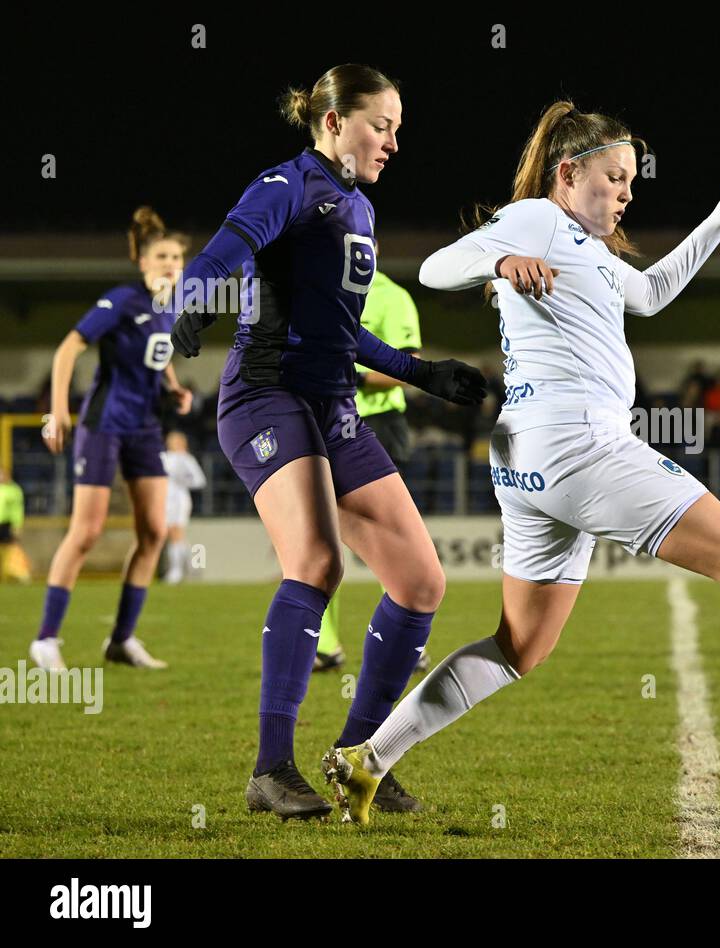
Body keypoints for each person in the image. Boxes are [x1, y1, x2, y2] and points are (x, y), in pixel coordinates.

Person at [322, 101, 720, 824]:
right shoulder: (539, 218)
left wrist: (719, 219)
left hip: (527, 457)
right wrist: (501, 257)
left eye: (632, 179)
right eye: (615, 176)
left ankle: (367, 760)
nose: (628, 191)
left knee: (519, 647)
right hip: (578, 442)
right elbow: (442, 266)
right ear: (569, 174)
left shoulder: (591, 252)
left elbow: (654, 293)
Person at [168, 63, 486, 820]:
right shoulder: (288, 185)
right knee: (314, 561)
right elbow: (225, 248)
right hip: (265, 398)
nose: (393, 142)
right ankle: (270, 767)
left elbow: (343, 334)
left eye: (398, 128)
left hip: (333, 405)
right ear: (335, 121)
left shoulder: (358, 209)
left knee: (421, 582)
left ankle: (358, 759)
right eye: (382, 125)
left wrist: (421, 373)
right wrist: (192, 300)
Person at [30, 207, 194, 671]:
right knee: (86, 532)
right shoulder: (122, 300)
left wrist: (174, 387)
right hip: (103, 424)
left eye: (177, 258)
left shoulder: (169, 310)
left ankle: (121, 640)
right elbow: (69, 348)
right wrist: (58, 411)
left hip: (144, 428)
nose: (170, 264)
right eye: (162, 255)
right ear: (142, 261)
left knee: (154, 533)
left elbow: (158, 355)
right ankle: (45, 639)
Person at [313, 255, 424, 673]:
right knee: (322, 537)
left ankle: (405, 641)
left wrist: (353, 377)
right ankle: (324, 646)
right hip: (325, 419)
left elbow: (408, 367)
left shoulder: (392, 297)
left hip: (377, 423)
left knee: (389, 538)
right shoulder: (322, 292)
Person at [161, 430, 206, 583]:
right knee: (171, 534)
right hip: (165, 500)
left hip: (180, 500)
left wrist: (184, 480)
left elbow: (200, 480)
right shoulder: (163, 457)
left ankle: (176, 571)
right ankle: (193, 563)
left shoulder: (187, 459)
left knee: (176, 531)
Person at [0, 466, 32, 584]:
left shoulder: (14, 490)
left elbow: (17, 510)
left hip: (6, 524)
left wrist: (17, 525)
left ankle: (21, 573)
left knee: (13, 548)